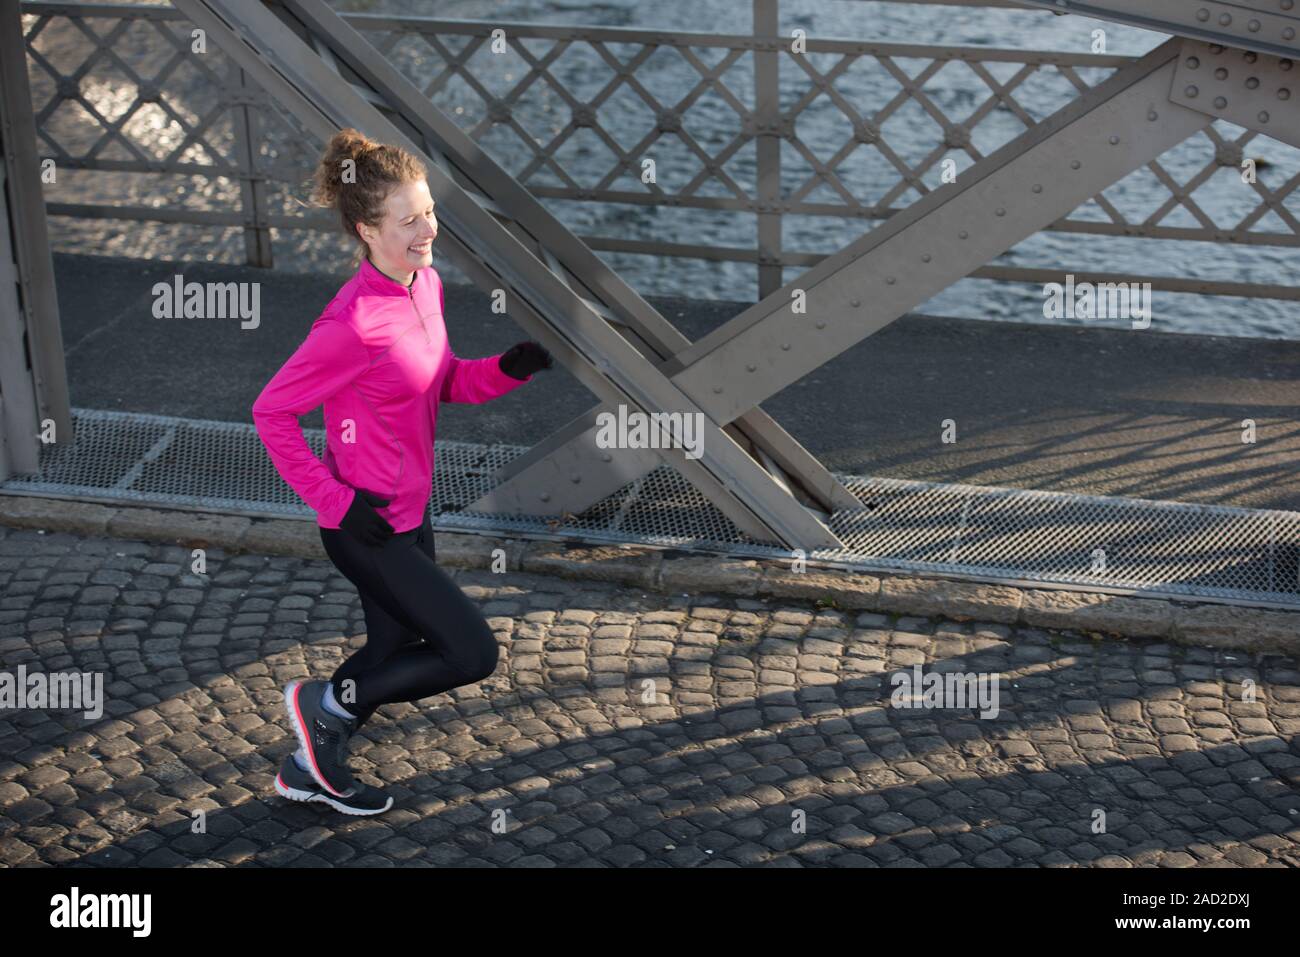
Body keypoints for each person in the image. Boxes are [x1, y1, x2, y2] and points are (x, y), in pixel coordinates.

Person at [251, 128, 553, 815]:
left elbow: (439, 382)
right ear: (367, 229)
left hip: (412, 513)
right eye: (409, 219)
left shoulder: (425, 285)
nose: (428, 229)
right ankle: (319, 704)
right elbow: (271, 412)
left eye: (429, 212)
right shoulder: (350, 324)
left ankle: (306, 764)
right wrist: (333, 500)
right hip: (366, 525)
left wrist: (506, 370)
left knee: (393, 647)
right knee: (471, 652)